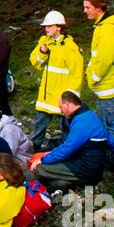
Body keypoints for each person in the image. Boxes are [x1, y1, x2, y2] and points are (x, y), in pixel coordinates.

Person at [31, 91, 114, 191]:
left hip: (86, 171)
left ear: (67, 105)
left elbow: (67, 149)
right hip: (90, 165)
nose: (60, 110)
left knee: (40, 169)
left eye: (61, 106)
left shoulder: (81, 123)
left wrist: (42, 160)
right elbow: (109, 139)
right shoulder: (89, 115)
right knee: (54, 158)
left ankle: (66, 183)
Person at [28, 10, 84, 149]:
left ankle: (67, 151)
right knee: (39, 127)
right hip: (46, 97)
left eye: (49, 26)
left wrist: (70, 98)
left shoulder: (70, 47)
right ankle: (34, 151)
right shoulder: (44, 42)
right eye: (45, 26)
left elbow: (77, 73)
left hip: (61, 99)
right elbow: (35, 62)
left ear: (59, 27)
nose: (46, 28)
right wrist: (43, 52)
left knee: (65, 129)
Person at [83, 0, 114, 151]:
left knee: (110, 124)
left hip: (107, 85)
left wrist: (94, 77)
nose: (85, 11)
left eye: (88, 7)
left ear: (99, 8)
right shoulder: (102, 26)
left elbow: (105, 58)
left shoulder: (107, 29)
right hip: (107, 84)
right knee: (110, 121)